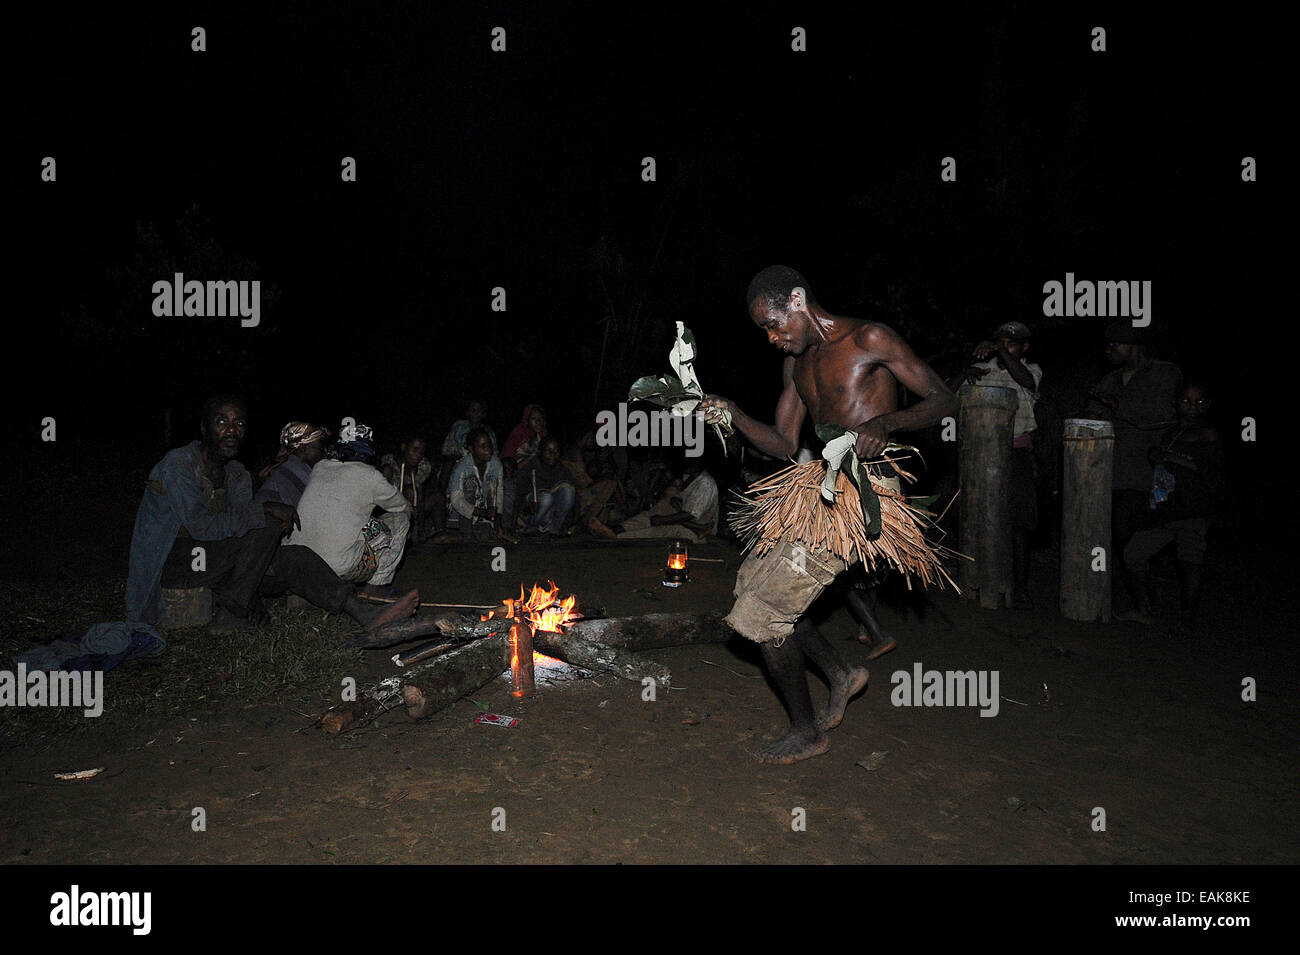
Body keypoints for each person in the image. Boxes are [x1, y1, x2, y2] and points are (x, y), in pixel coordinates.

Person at [700, 266, 957, 764]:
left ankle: (806, 731)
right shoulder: (796, 366)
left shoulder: (869, 338)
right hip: (818, 487)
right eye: (765, 332)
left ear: (798, 300)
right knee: (752, 588)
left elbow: (944, 400)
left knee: (763, 613)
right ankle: (839, 673)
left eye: (774, 324)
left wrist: (886, 422)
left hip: (867, 490)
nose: (773, 338)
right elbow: (781, 443)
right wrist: (731, 410)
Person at [128, 399, 417, 634]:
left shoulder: (237, 475)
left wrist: (252, 582)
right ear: (204, 428)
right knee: (267, 520)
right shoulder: (178, 466)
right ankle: (231, 612)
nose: (232, 430)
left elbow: (241, 536)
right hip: (181, 560)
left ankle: (364, 613)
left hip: (222, 561)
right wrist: (263, 510)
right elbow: (202, 527)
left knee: (296, 555)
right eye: (222, 422)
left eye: (239, 423)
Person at [1084, 322, 1182, 609]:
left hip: (1147, 474)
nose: (1109, 350)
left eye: (1115, 345)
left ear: (1134, 345)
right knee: (1111, 535)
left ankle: (1143, 601)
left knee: (1132, 537)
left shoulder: (1165, 373)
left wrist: (1118, 407)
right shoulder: (1111, 379)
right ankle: (1114, 598)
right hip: (1109, 472)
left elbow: (1167, 417)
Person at [1119, 383, 1224, 631]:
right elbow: (1162, 469)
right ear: (1176, 404)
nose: (1192, 407)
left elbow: (1214, 477)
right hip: (1165, 511)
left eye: (1199, 402)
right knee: (1133, 554)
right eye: (1186, 401)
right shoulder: (1171, 434)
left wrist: (1171, 458)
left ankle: (1187, 621)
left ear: (1207, 405)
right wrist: (1156, 455)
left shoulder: (1208, 435)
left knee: (1190, 563)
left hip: (1193, 512)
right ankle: (1145, 609)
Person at [953, 321, 1043, 608]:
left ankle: (1020, 588)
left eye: (1011, 343)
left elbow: (1026, 381)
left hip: (1016, 455)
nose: (1005, 348)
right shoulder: (983, 370)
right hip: (978, 457)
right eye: (1001, 342)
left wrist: (1000, 352)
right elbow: (944, 401)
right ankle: (973, 580)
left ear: (1025, 347)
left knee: (1019, 523)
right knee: (975, 517)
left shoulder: (1031, 370)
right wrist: (962, 376)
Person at [285, 422, 412, 599]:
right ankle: (376, 586)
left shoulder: (320, 467)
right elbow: (401, 506)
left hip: (298, 563)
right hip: (338, 567)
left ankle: (303, 588)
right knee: (400, 520)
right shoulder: (370, 475)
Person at [601, 458, 719, 541]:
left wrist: (663, 519)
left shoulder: (705, 484)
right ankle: (617, 529)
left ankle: (618, 536)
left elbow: (690, 514)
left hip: (694, 533)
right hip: (686, 520)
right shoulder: (688, 476)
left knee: (659, 529)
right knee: (651, 514)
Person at [447, 426, 513, 542]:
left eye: (489, 445)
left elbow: (498, 493)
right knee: (469, 484)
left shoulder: (495, 464)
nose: (488, 450)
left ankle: (485, 529)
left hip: (482, 508)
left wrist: (497, 521)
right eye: (483, 447)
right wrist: (483, 512)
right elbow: (456, 500)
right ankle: (465, 531)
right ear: (471, 449)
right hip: (461, 512)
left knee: (485, 537)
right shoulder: (461, 467)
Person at [256, 422, 331, 510]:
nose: (325, 453)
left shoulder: (291, 470)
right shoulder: (288, 474)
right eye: (321, 449)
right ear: (303, 448)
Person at [516, 436, 578, 535]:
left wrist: (567, 524)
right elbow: (517, 496)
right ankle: (531, 529)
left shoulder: (562, 470)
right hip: (531, 514)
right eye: (549, 450)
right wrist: (528, 507)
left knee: (568, 490)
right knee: (546, 498)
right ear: (540, 452)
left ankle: (555, 530)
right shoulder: (530, 468)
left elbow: (573, 502)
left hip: (550, 515)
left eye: (556, 451)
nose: (553, 454)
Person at [381, 435, 434, 543]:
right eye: (415, 450)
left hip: (410, 510)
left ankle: (421, 532)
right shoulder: (389, 466)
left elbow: (419, 494)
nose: (418, 455)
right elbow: (382, 496)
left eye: (421, 452)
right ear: (404, 447)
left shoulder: (422, 466)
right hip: (388, 511)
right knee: (409, 492)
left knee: (432, 496)